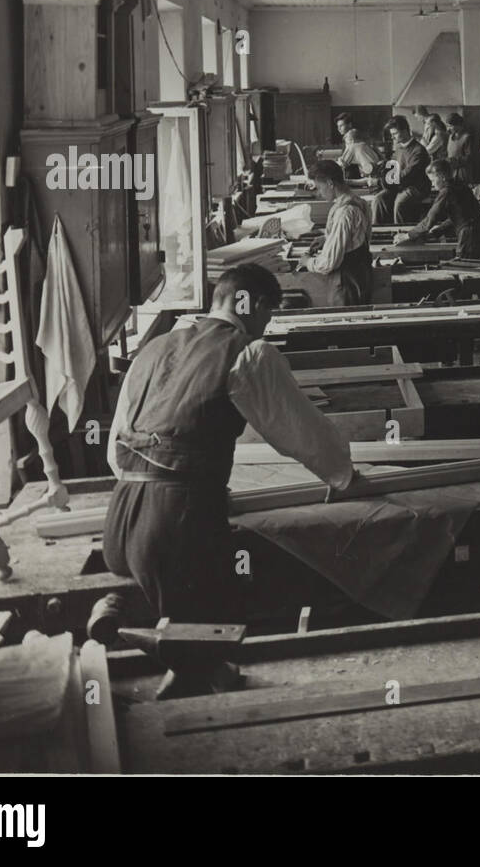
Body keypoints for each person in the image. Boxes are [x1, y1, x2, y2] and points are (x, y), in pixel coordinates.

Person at [104, 263, 362, 691]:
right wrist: (345, 476)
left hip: (121, 520)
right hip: (175, 528)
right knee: (213, 643)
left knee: (196, 643)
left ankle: (187, 673)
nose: (265, 328)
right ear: (250, 303)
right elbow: (302, 432)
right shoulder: (246, 353)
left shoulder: (153, 350)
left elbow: (116, 451)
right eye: (267, 315)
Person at [299, 159, 373, 306]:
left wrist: (308, 262)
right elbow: (355, 238)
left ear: (330, 183)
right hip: (361, 276)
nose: (319, 193)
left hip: (346, 284)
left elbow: (328, 263)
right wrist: (328, 238)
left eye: (319, 188)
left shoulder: (345, 212)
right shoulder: (360, 202)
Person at [398, 159, 480, 259]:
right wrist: (436, 232)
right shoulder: (461, 186)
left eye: (432, 180)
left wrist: (408, 235)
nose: (432, 184)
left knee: (466, 268)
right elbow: (462, 217)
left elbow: (429, 220)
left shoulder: (446, 192)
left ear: (442, 177)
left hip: (470, 237)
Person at [372, 116, 431, 224]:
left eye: (395, 134)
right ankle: (379, 234)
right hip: (400, 185)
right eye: (392, 134)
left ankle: (399, 235)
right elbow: (393, 168)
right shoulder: (399, 148)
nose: (393, 137)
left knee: (400, 202)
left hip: (416, 187)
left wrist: (381, 181)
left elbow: (407, 175)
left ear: (404, 131)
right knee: (378, 199)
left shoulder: (419, 150)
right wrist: (383, 168)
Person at [445, 112, 473, 183]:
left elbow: (468, 157)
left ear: (458, 125)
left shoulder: (466, 137)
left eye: (450, 126)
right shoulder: (450, 137)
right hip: (451, 171)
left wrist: (453, 160)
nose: (448, 129)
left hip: (463, 172)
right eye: (447, 126)